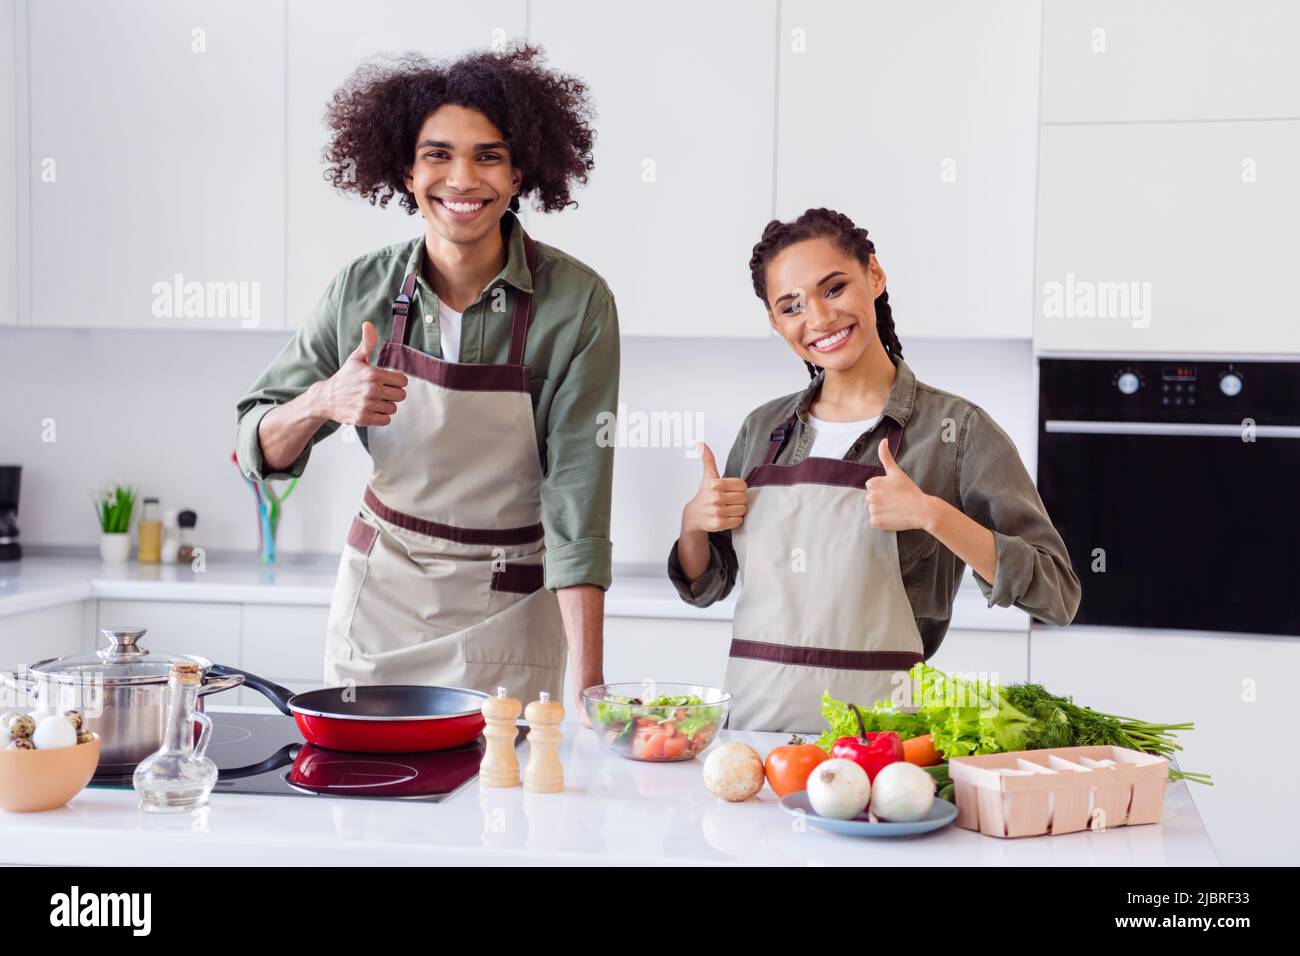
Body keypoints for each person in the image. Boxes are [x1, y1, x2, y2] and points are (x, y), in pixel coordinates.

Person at [234, 46, 617, 720]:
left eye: (489, 156)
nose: (462, 179)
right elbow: (256, 449)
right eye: (437, 155)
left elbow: (577, 498)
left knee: (505, 808)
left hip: (512, 606)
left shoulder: (575, 302)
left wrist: (591, 691)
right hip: (382, 605)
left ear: (521, 169)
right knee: (371, 810)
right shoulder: (362, 290)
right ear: (406, 171)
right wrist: (326, 399)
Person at [668, 208, 1080, 732]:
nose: (817, 319)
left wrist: (933, 515)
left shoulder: (957, 431)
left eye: (833, 288)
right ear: (775, 323)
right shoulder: (763, 429)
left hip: (885, 750)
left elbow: (1057, 596)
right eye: (791, 305)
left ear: (875, 276)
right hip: (755, 740)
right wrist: (692, 523)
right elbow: (708, 585)